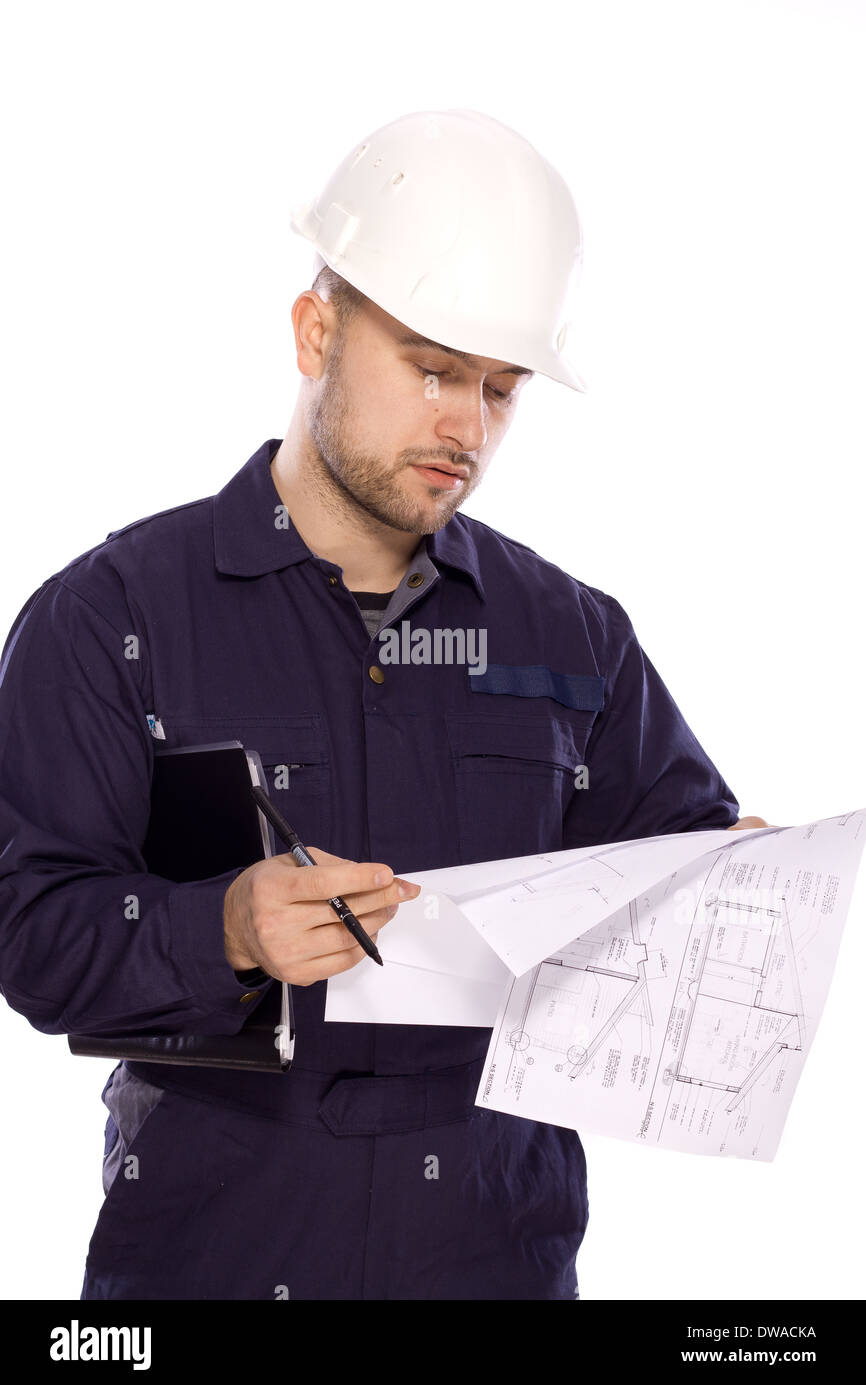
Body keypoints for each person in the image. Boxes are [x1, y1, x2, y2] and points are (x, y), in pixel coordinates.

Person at [0, 108, 765, 1301]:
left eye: (499, 390)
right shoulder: (114, 619)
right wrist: (227, 930)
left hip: (491, 1264)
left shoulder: (573, 636)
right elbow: (31, 931)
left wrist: (739, 896)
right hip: (216, 1270)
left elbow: (681, 892)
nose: (464, 427)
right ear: (315, 331)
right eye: (429, 370)